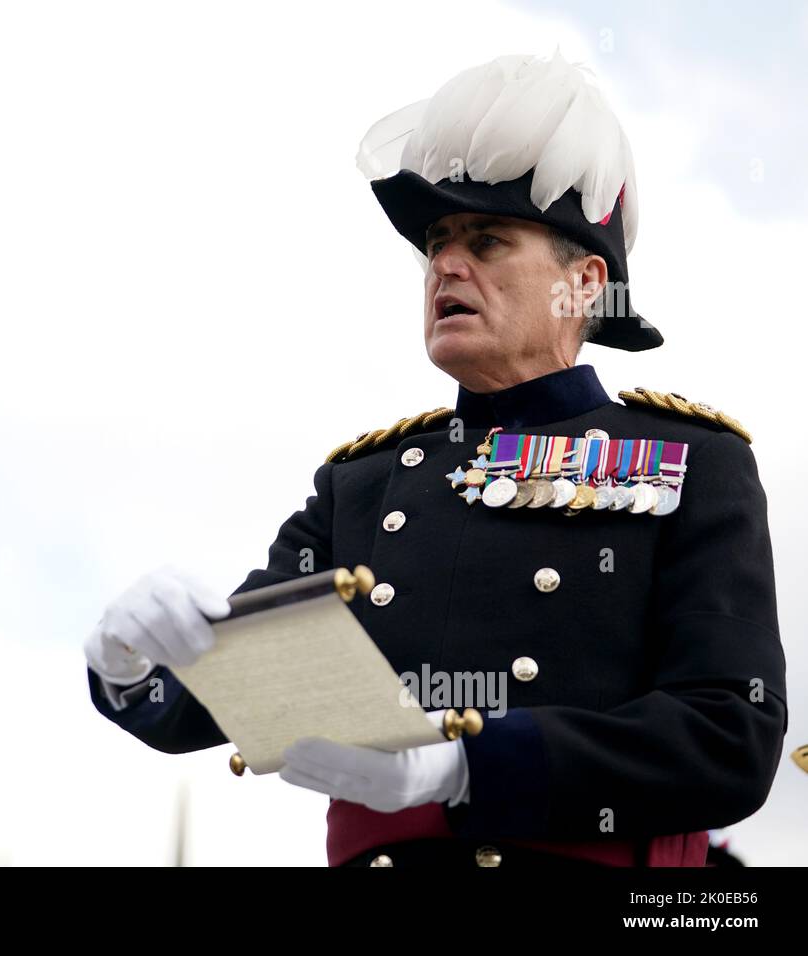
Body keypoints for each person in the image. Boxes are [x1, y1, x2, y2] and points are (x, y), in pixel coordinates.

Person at [82, 51, 788, 867]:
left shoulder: (690, 462)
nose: (446, 265)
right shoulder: (363, 485)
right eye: (438, 244)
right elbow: (227, 697)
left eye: (487, 241)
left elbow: (727, 734)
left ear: (584, 283)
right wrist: (132, 663)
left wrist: (468, 763)